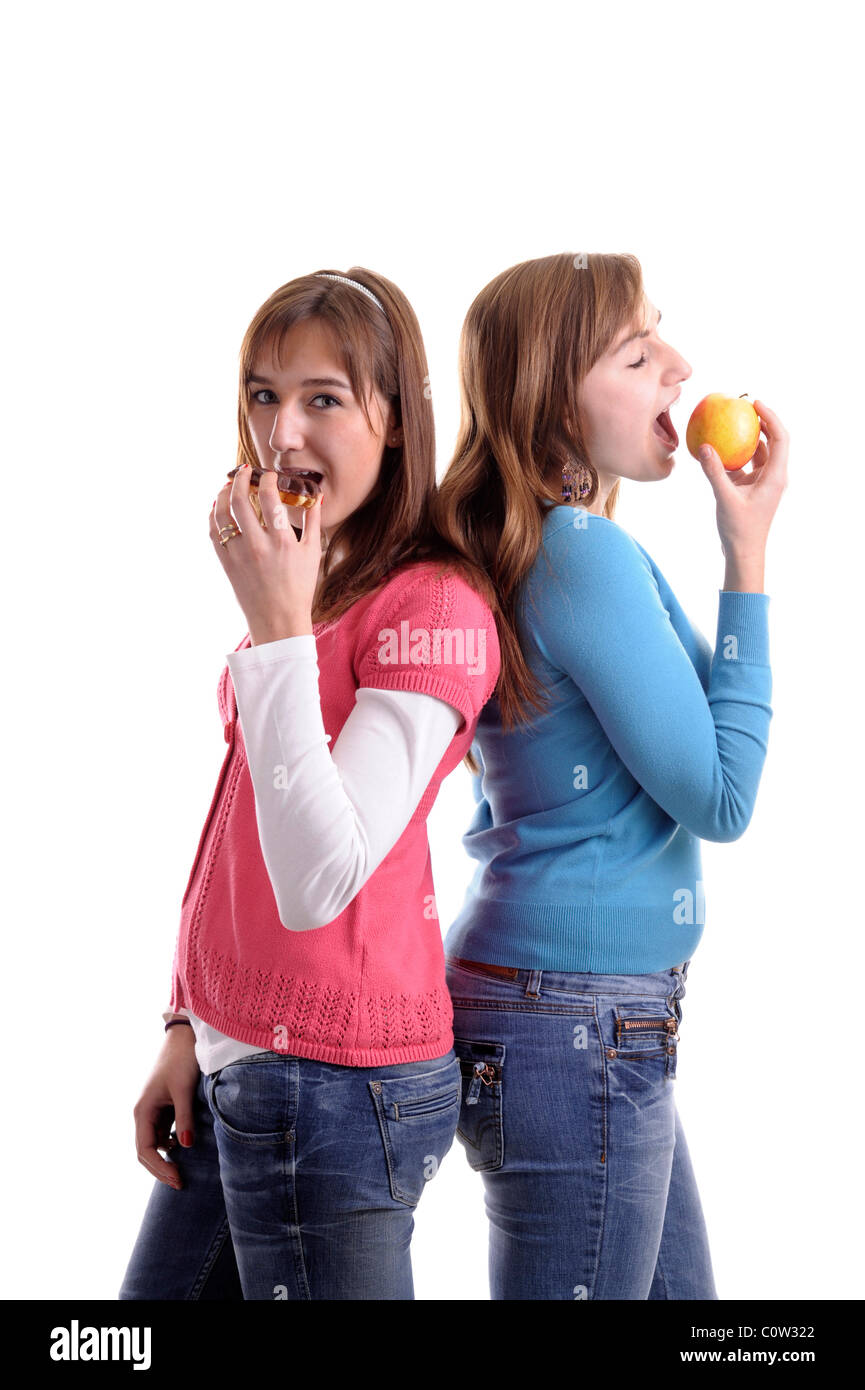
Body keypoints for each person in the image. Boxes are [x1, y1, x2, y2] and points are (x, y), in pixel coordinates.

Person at [119, 267, 502, 1300]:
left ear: (395, 419)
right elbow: (238, 816)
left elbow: (316, 879)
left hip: (338, 1086)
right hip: (245, 1063)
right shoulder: (318, 580)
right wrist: (184, 1024)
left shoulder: (436, 608)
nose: (279, 434)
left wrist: (280, 629)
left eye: (322, 399)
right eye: (260, 394)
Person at [434, 251, 788, 1300]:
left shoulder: (548, 546)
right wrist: (748, 555)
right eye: (637, 354)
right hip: (576, 1026)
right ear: (550, 404)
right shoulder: (576, 551)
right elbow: (721, 797)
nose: (679, 366)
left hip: (578, 1021)